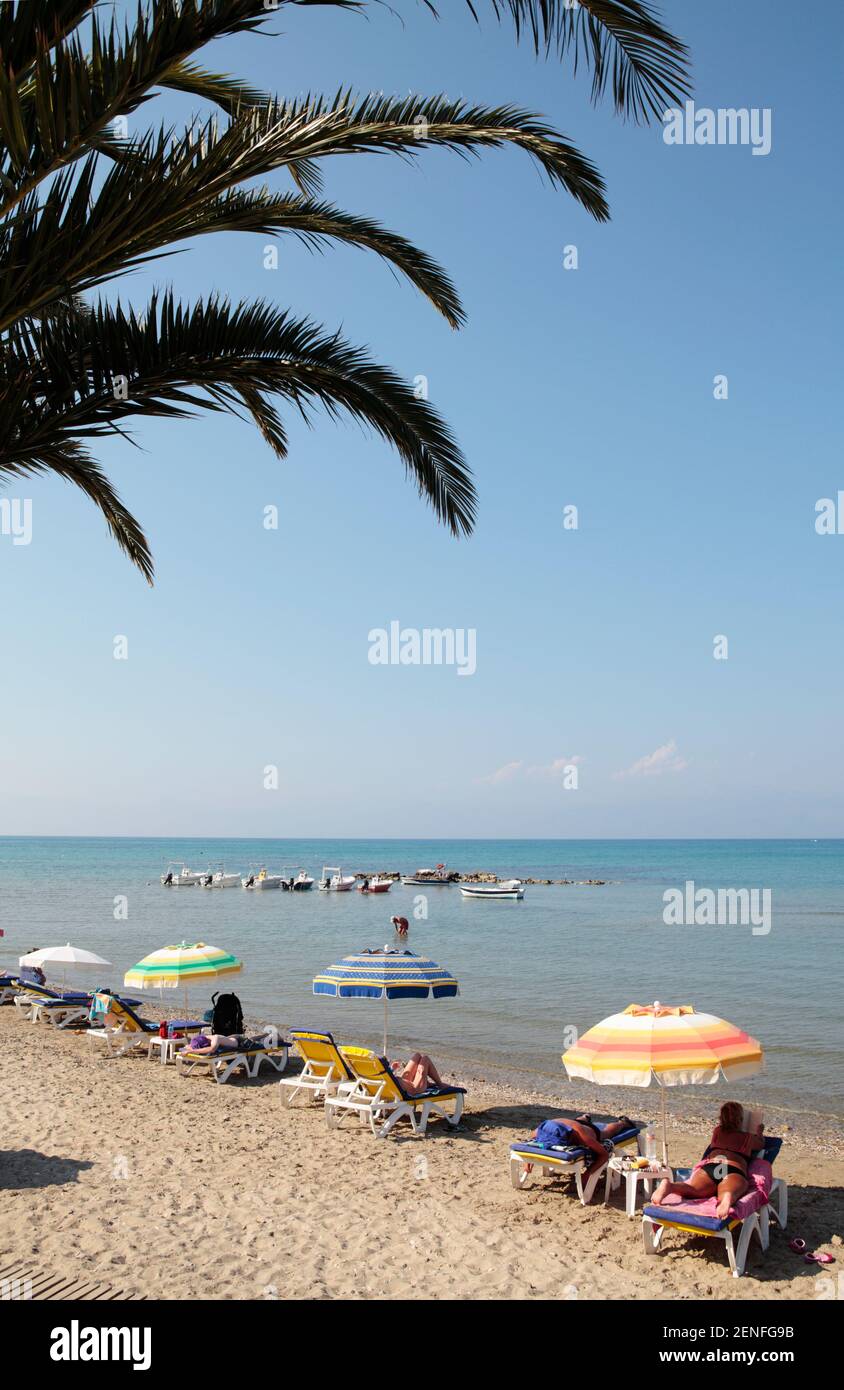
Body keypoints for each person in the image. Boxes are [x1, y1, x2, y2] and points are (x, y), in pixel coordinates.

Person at [650, 1101, 765, 1219]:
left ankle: (670, 1186)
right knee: (730, 1189)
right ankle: (727, 1196)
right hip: (733, 1168)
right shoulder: (747, 1138)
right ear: (741, 1119)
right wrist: (759, 1133)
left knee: (694, 1189)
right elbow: (761, 1145)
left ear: (721, 1118)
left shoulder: (718, 1131)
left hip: (711, 1166)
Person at [532, 1113, 637, 1184]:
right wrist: (529, 1161)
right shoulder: (540, 1130)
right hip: (571, 1122)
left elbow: (603, 1155)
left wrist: (587, 1174)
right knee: (578, 1121)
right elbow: (530, 1144)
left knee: (607, 1132)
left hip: (589, 1130)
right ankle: (585, 1116)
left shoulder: (582, 1136)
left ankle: (622, 1123)